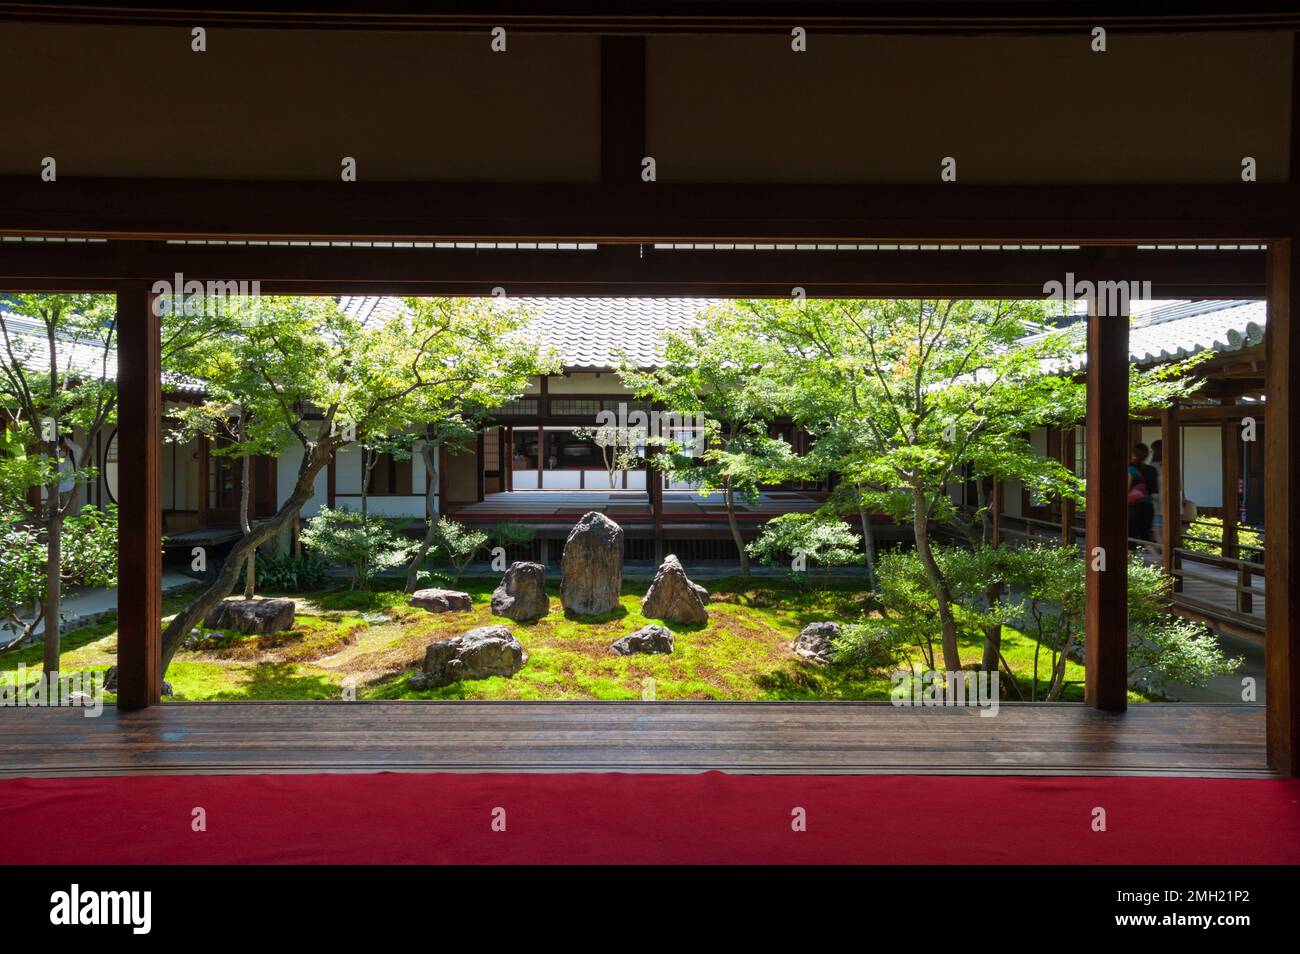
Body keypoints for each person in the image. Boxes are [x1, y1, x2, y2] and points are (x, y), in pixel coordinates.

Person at [1128, 442, 1158, 544]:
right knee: (1145, 537)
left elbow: (1127, 488)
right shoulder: (1152, 470)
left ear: (1133, 454)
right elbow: (1154, 489)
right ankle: (1158, 558)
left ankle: (1131, 558)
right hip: (1148, 505)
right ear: (1146, 455)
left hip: (1133, 506)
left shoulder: (1130, 469)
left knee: (1131, 538)